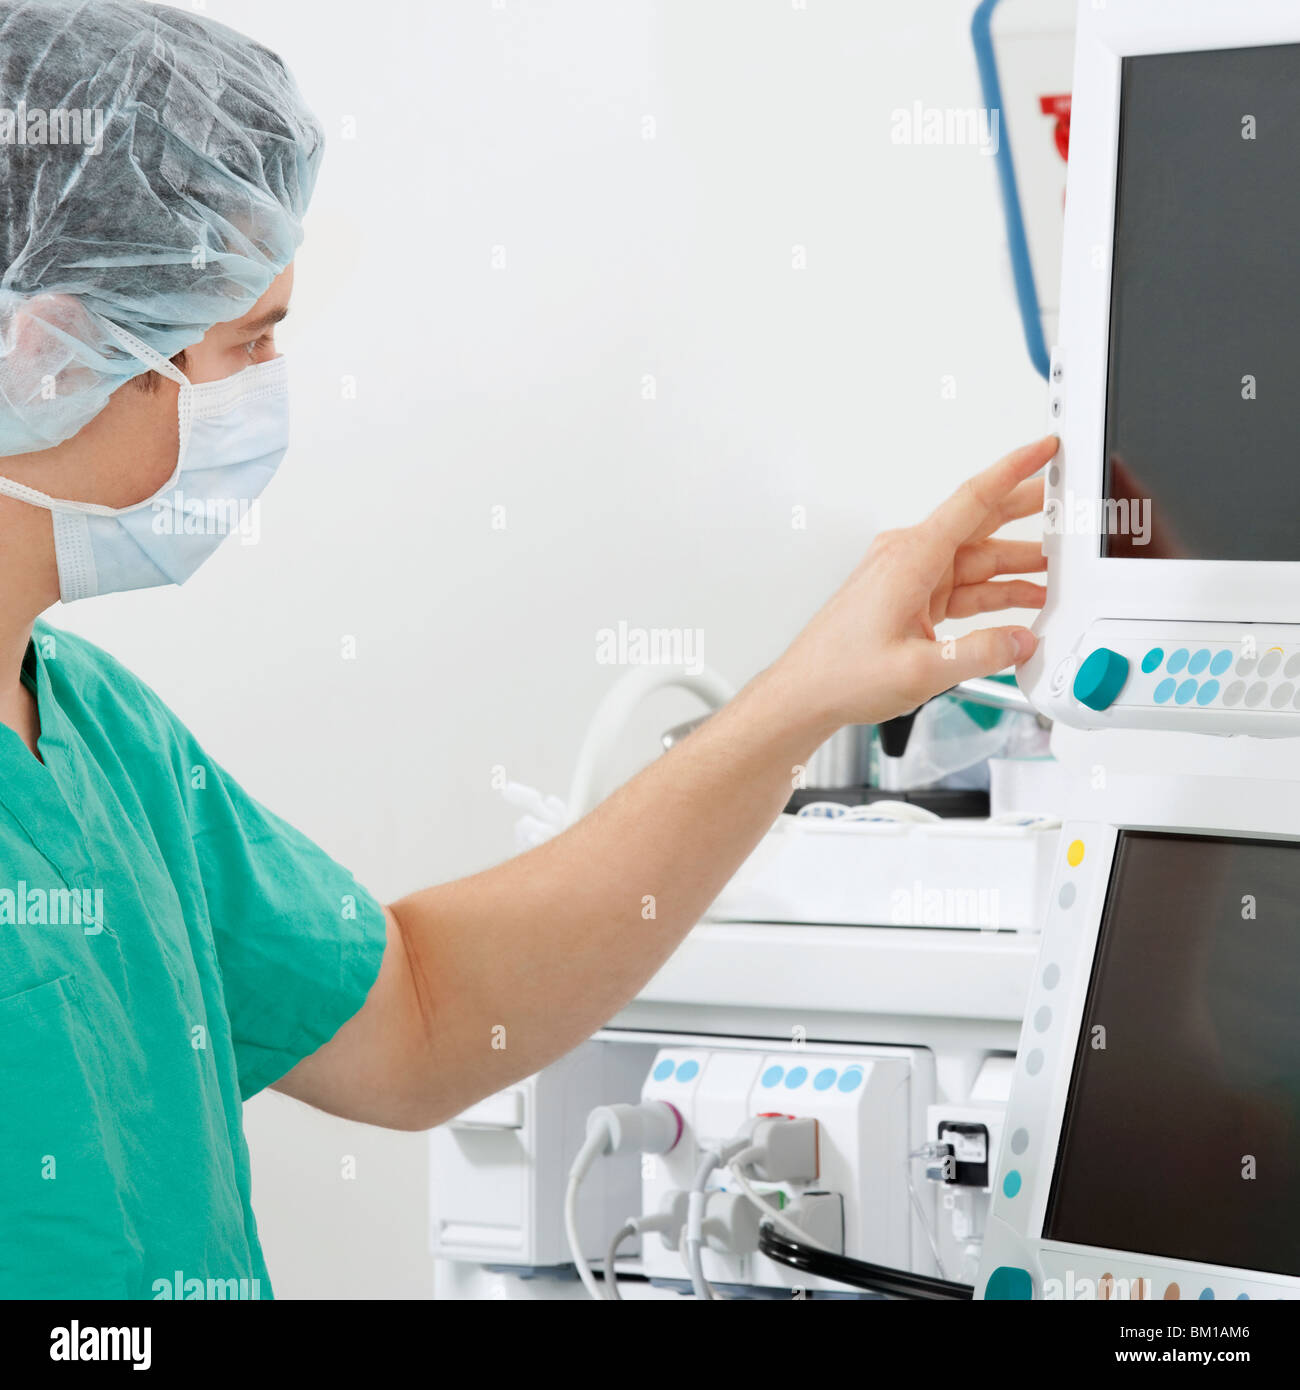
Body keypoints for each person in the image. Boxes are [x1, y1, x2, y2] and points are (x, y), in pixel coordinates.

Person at [0, 0, 1052, 1298]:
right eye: (249, 341)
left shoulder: (101, 736)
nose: (268, 399)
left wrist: (802, 695)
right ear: (50, 352)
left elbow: (430, 1013)